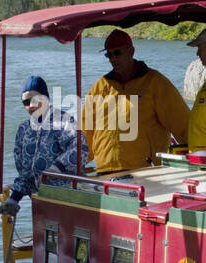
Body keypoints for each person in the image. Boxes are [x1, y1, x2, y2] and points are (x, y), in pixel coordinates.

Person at [79, 29, 191, 175]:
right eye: (109, 54)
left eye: (117, 53)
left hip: (145, 171)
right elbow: (85, 133)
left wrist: (199, 158)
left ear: (131, 51)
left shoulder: (155, 83)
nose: (113, 58)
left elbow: (182, 124)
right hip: (106, 171)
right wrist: (76, 164)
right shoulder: (99, 87)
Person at [0, 76, 86, 217]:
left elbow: (80, 148)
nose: (31, 106)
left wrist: (57, 168)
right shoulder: (24, 130)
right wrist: (14, 198)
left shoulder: (62, 121)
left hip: (70, 199)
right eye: (26, 102)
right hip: (42, 201)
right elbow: (25, 173)